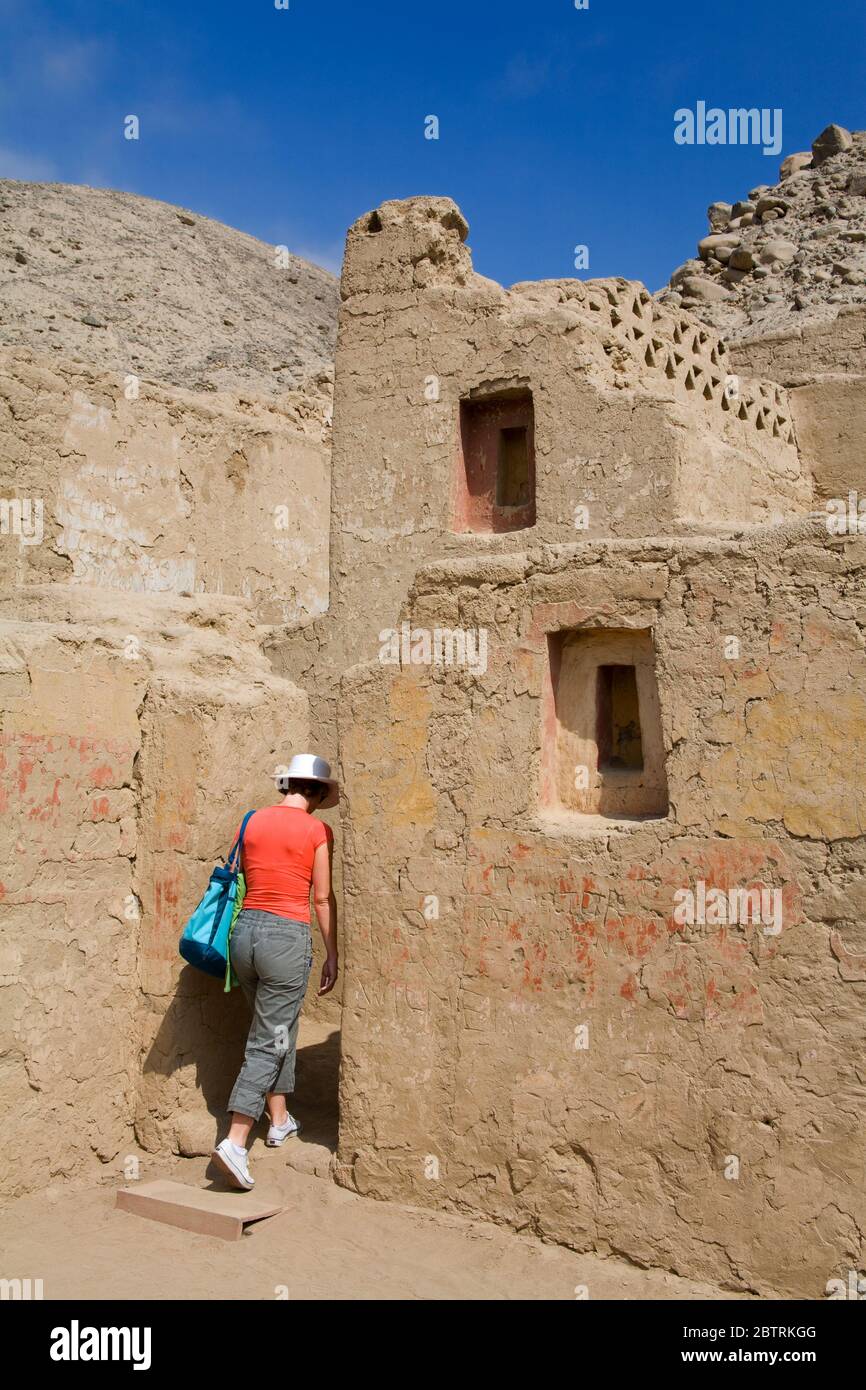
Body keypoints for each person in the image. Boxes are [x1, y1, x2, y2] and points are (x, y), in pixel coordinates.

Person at [211, 754, 339, 1190]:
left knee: (274, 1028)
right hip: (286, 938)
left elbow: (246, 876)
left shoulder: (251, 821)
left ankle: (280, 1119)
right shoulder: (318, 830)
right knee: (269, 1039)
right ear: (319, 794)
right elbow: (321, 898)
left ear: (286, 785)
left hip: (244, 935)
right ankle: (236, 1138)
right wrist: (332, 952)